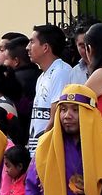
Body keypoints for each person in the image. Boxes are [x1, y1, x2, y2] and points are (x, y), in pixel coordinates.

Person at [28, 25, 74, 153]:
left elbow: (55, 117)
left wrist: (42, 148)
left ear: (45, 47)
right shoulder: (42, 76)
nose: (27, 47)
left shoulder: (60, 72)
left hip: (49, 150)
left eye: (32, 42)